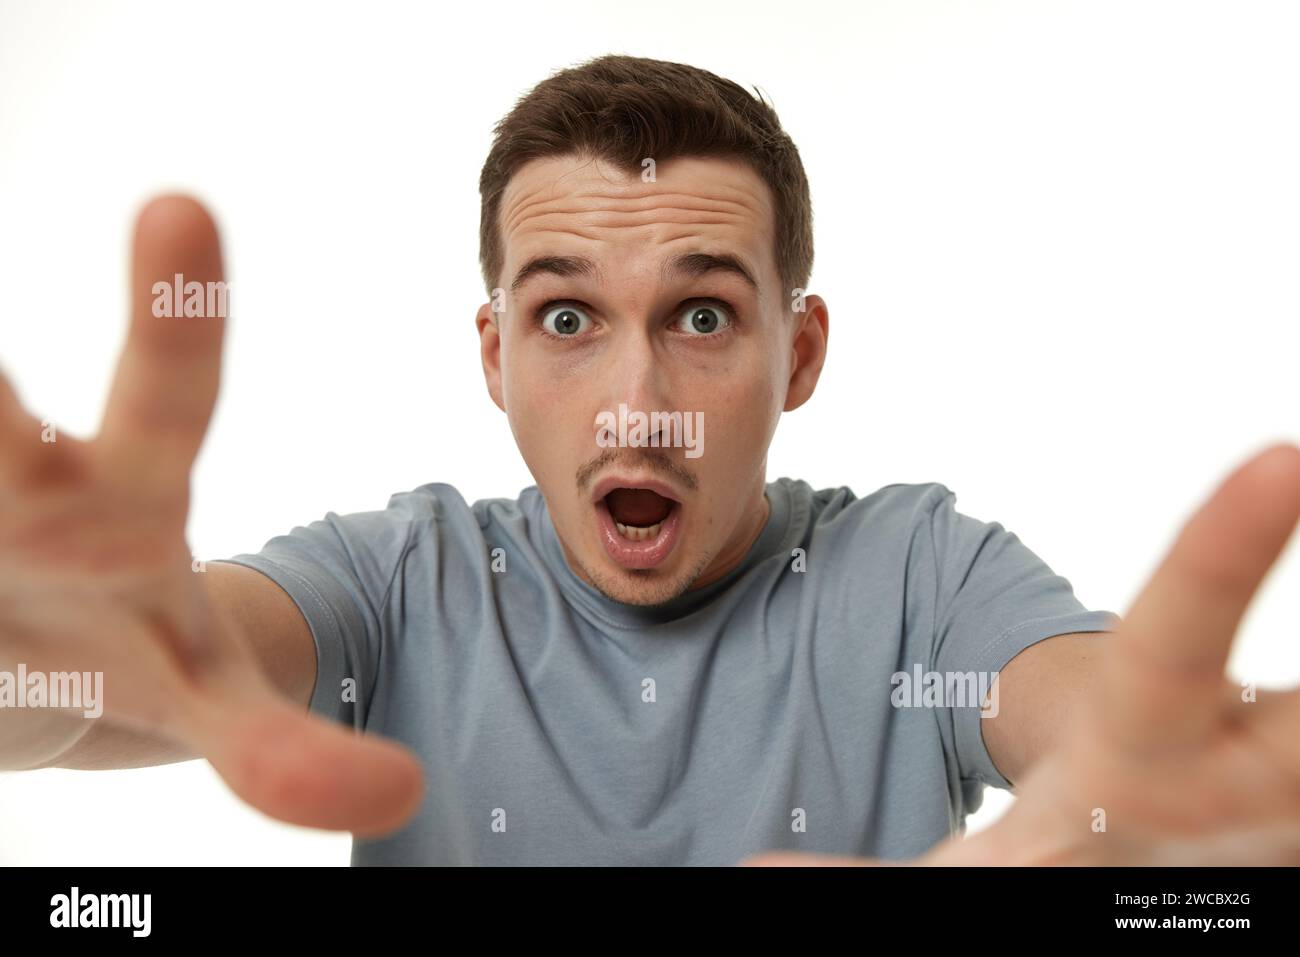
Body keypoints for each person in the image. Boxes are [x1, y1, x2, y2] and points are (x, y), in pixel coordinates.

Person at [2, 54, 1298, 866]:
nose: (638, 406)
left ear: (797, 354)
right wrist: (32, 650)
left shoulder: (922, 577)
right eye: (567, 317)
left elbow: (1115, 736)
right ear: (496, 355)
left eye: (701, 314)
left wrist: (1187, 822)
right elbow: (120, 684)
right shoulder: (400, 578)